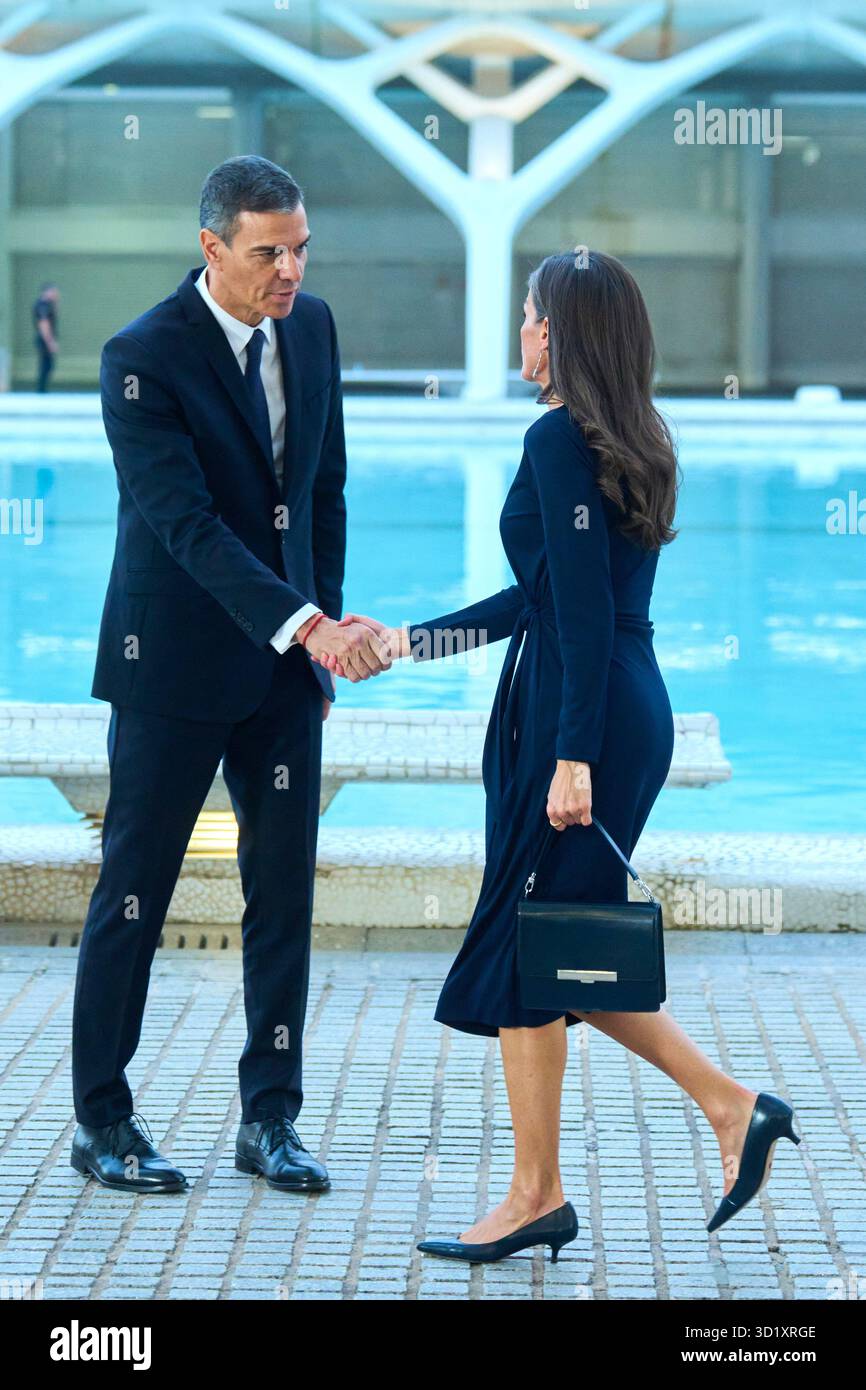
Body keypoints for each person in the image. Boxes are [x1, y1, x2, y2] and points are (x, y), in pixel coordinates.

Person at [319, 251, 801, 1262]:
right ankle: (568, 1177)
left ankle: (708, 1114)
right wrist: (410, 641)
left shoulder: (554, 440)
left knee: (535, 944)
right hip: (620, 697)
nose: (522, 335)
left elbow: (574, 611)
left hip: (579, 715)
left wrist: (570, 755)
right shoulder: (633, 437)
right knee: (542, 950)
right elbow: (544, 598)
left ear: (566, 333)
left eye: (532, 318)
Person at [70, 155, 390, 1196]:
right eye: (268, 253)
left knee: (283, 897)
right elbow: (187, 528)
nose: (289, 270)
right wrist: (307, 626)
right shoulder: (141, 359)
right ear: (211, 248)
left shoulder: (316, 328)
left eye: (300, 248)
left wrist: (326, 622)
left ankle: (270, 1117)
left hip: (289, 674)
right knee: (135, 897)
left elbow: (324, 485)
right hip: (168, 669)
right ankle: (100, 1119)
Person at [33, 282, 60, 391]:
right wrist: (50, 342)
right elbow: (44, 324)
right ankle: (41, 390)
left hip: (45, 339)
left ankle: (42, 389)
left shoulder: (47, 305)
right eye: (53, 292)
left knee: (47, 365)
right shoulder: (42, 305)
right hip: (44, 339)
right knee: (45, 366)